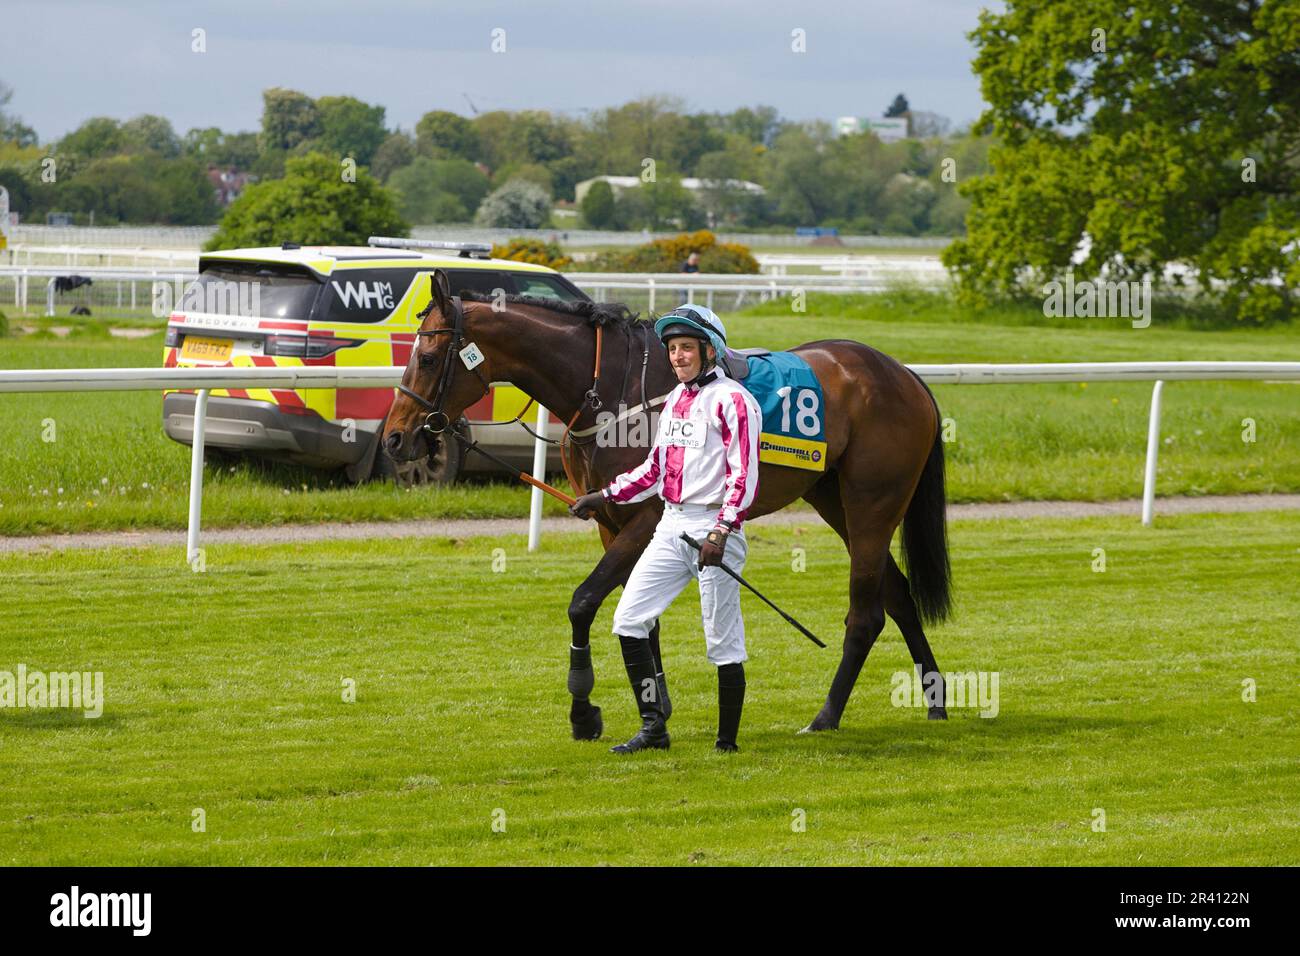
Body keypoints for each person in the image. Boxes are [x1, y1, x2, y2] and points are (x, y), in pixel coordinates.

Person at [570, 304, 762, 754]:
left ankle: (726, 742)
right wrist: (605, 496)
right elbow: (654, 470)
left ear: (709, 351)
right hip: (671, 526)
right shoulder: (676, 400)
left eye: (686, 348)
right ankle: (654, 727)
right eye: (673, 349)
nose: (677, 356)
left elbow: (744, 477)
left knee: (722, 640)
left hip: (715, 530)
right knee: (629, 620)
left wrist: (721, 531)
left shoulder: (734, 401)